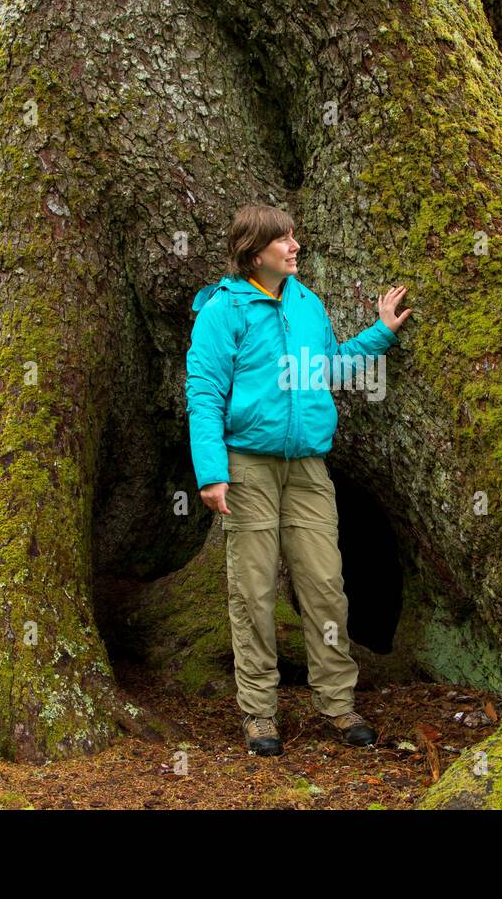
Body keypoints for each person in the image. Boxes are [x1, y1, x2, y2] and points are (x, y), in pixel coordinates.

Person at [185, 204, 412, 755]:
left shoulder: (306, 304)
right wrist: (212, 473)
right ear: (253, 251)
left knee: (325, 586)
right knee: (254, 590)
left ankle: (337, 703)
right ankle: (259, 713)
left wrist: (379, 334)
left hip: (309, 468)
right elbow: (204, 391)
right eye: (282, 240)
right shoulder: (223, 310)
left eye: (293, 237)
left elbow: (330, 368)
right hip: (247, 468)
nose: (294, 246)